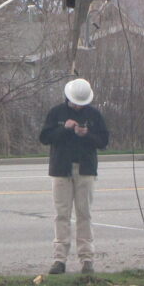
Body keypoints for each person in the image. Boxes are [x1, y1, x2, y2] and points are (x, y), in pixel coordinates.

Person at [38, 78, 109, 275]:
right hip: (61, 169)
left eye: (81, 103)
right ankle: (59, 259)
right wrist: (64, 128)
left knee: (84, 214)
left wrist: (87, 134)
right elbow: (45, 137)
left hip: (85, 169)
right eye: (76, 102)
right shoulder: (56, 113)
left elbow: (103, 141)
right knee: (62, 214)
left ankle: (87, 259)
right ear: (69, 98)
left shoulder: (94, 115)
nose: (78, 106)